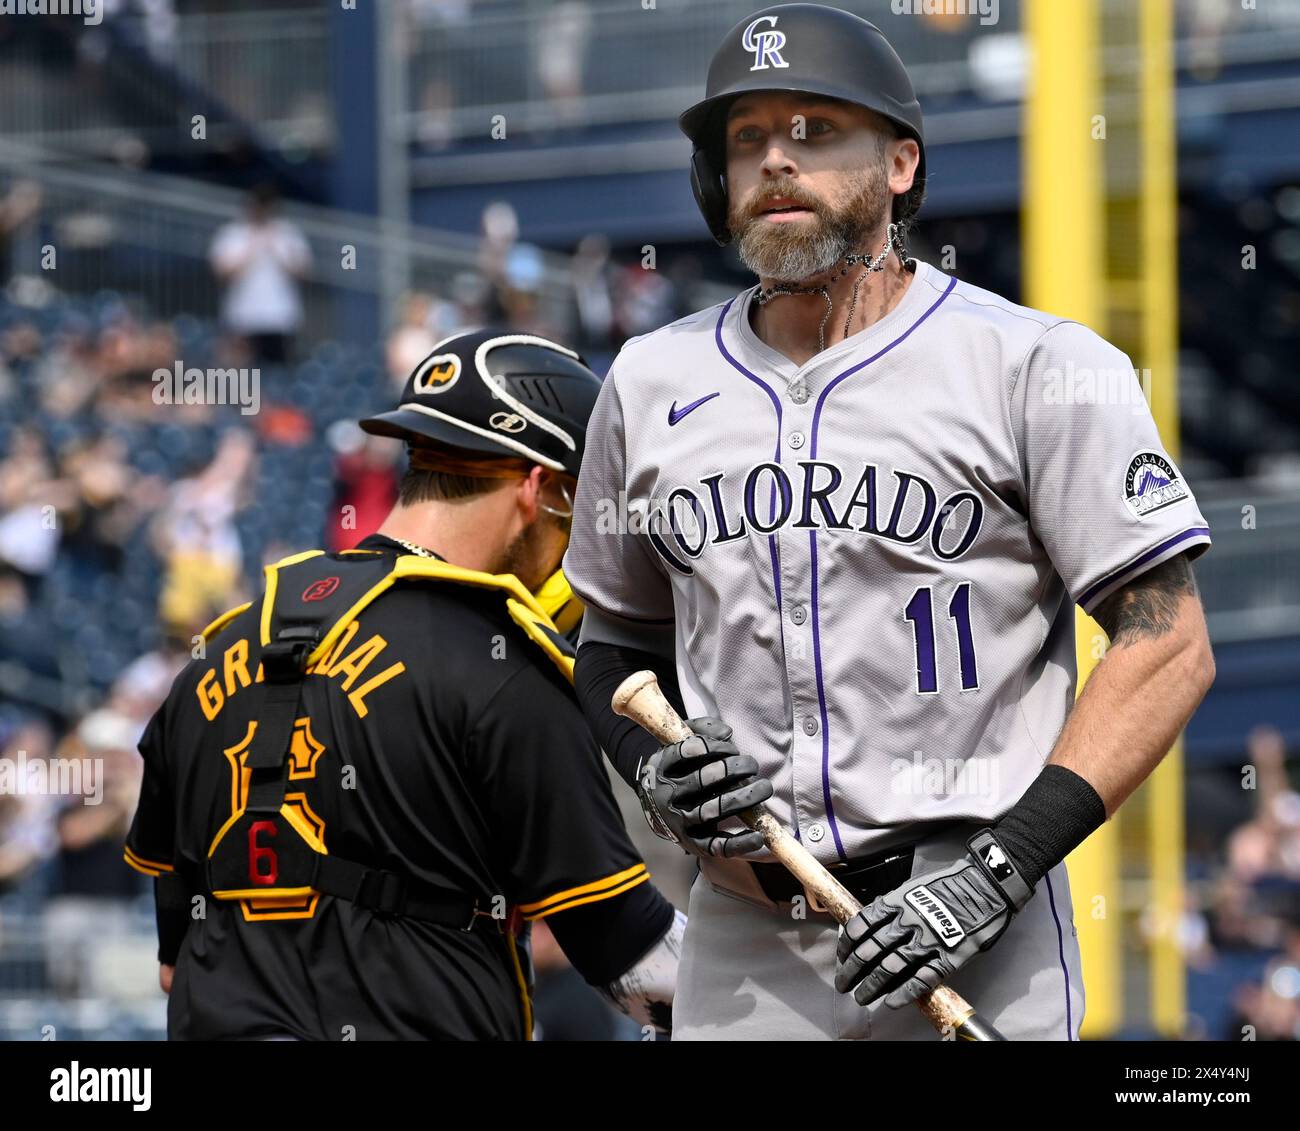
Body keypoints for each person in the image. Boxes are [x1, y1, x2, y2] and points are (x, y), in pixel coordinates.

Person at [563, 4, 1216, 1041]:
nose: (776, 159)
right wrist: (656, 769)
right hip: (745, 937)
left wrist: (998, 873)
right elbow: (610, 648)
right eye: (746, 140)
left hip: (979, 920)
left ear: (901, 164)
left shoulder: (1036, 365)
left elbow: (1167, 646)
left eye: (815, 130)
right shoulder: (649, 380)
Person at [125, 329, 682, 1040]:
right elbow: (635, 961)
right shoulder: (505, 666)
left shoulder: (217, 651)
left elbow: (174, 966)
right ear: (539, 486)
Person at [209, 184, 311, 366]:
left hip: (280, 316)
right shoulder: (232, 233)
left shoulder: (288, 233)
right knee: (242, 374)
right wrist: (252, 248)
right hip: (243, 316)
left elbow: (303, 271)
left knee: (280, 371)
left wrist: (276, 250)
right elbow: (222, 272)